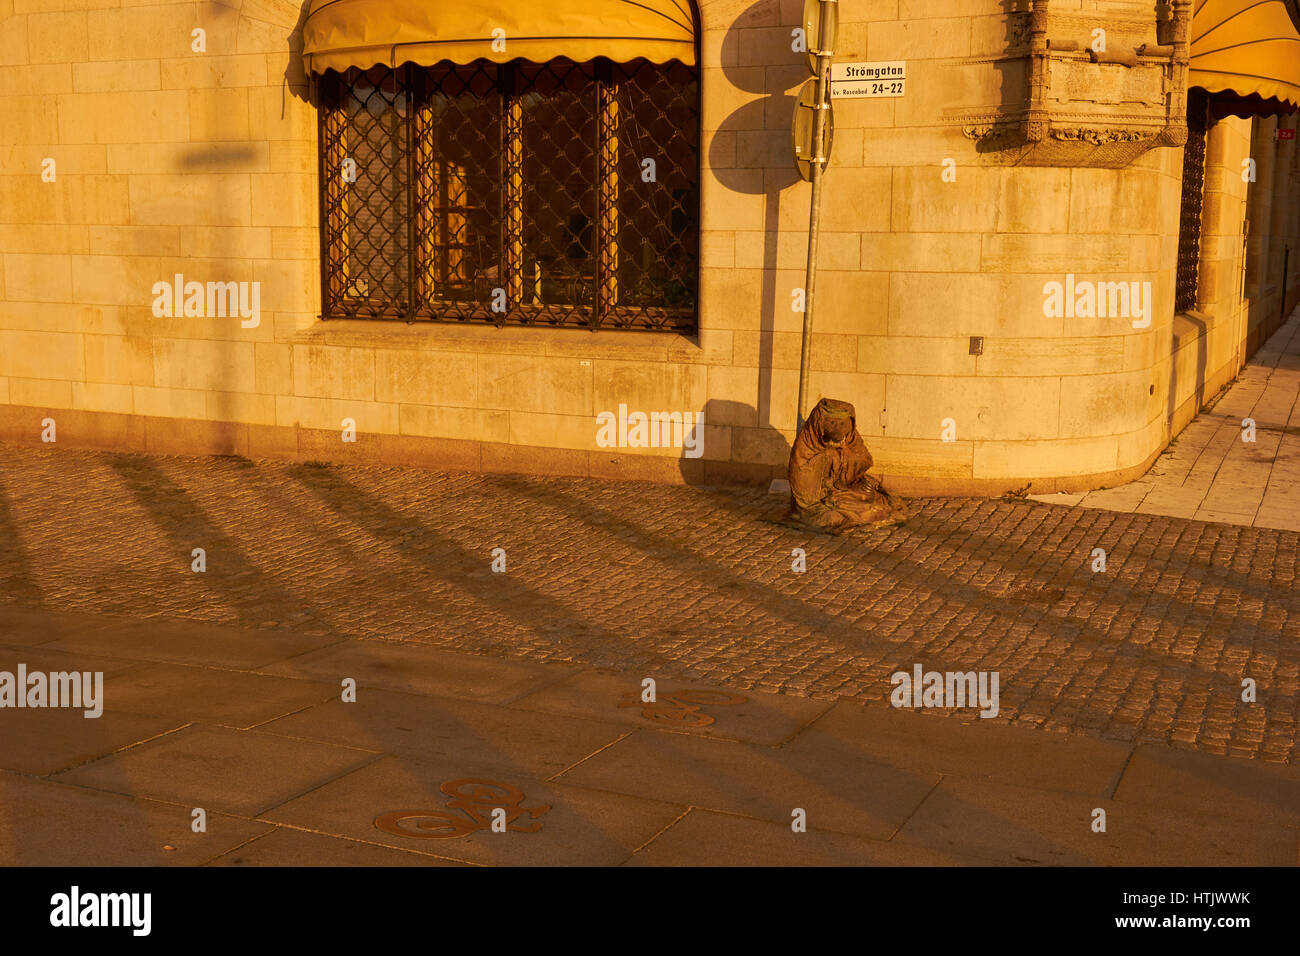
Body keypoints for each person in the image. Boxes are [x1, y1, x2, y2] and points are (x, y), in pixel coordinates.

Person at [787, 398, 909, 533]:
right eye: (832, 423)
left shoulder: (851, 439)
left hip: (844, 491)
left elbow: (864, 460)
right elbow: (801, 477)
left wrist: (844, 455)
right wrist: (827, 457)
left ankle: (866, 512)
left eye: (842, 424)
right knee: (832, 517)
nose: (837, 429)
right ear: (819, 424)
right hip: (818, 500)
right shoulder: (807, 443)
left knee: (881, 500)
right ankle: (861, 515)